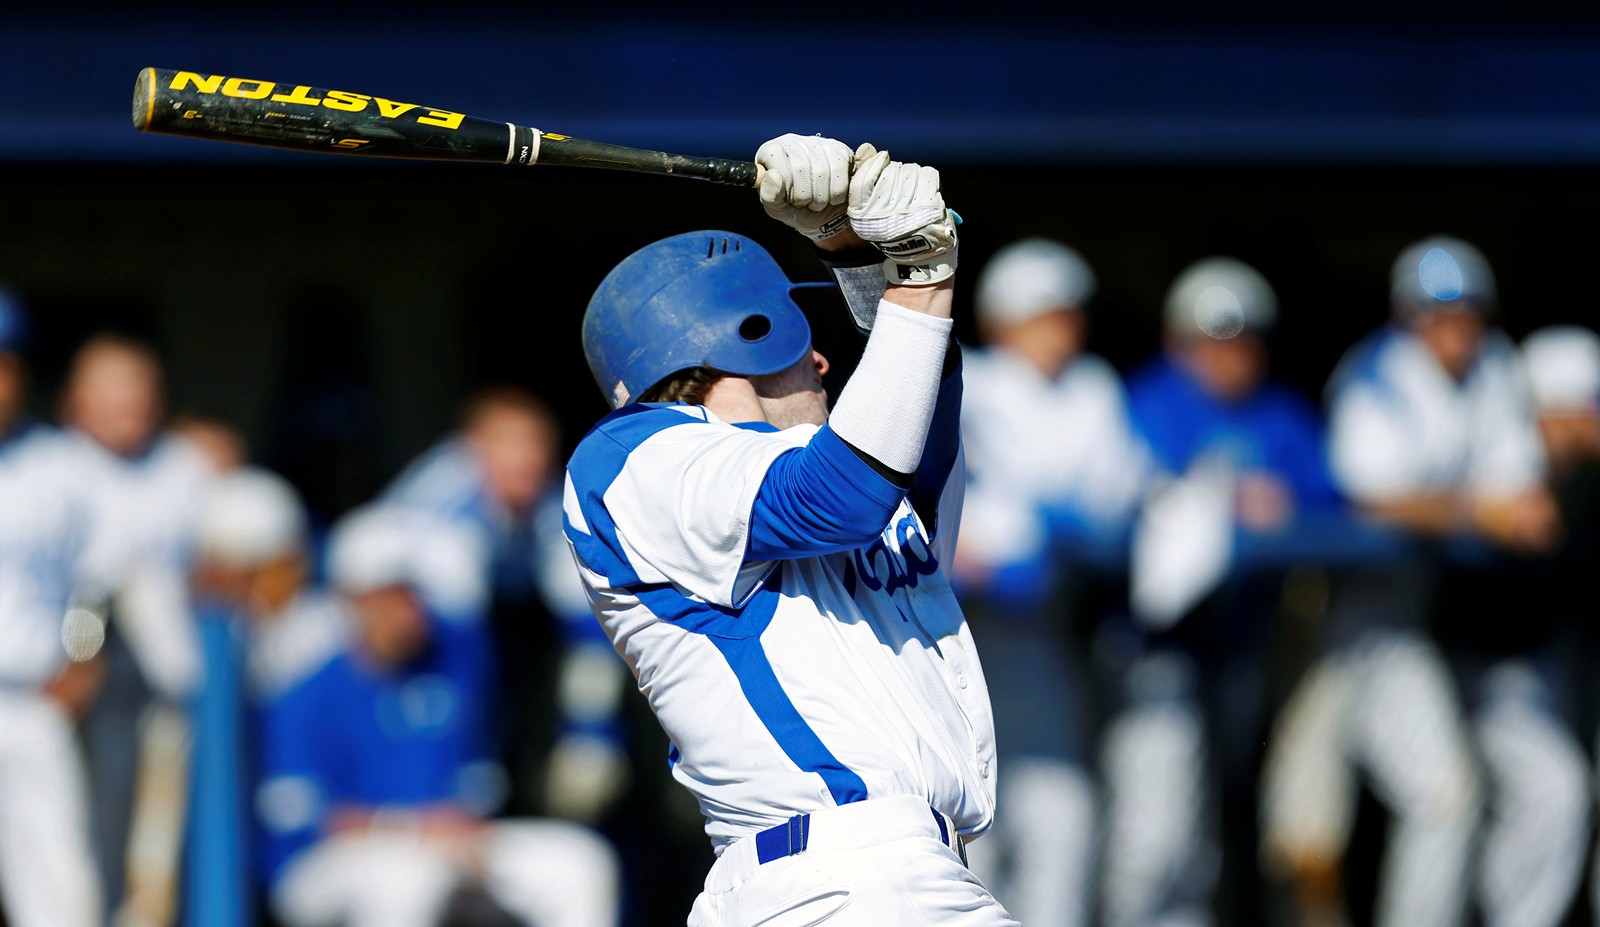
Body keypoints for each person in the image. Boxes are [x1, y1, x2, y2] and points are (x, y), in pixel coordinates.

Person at [562, 133, 1013, 925]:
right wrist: (919, 269)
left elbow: (918, 429)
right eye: (802, 340)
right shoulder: (633, 459)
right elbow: (837, 496)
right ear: (739, 336)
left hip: (870, 881)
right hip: (844, 878)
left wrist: (858, 254)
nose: (825, 364)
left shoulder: (851, 468)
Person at [1266, 235, 1579, 927]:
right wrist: (1477, 510)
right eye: (1436, 311)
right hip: (1362, 618)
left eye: (1466, 310)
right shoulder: (1376, 373)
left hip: (1453, 618)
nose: (1453, 326)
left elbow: (1519, 492)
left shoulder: (1495, 368)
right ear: (1406, 315)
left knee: (1540, 791)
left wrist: (1490, 508)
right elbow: (1371, 492)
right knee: (1419, 798)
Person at [1107, 256, 1340, 927]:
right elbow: (1124, 486)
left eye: (1244, 337)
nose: (1230, 352)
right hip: (1150, 642)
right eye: (1213, 336)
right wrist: (1227, 496)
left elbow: (1336, 493)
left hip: (1249, 642)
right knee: (1149, 829)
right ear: (1180, 340)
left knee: (1228, 817)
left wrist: (1287, 503)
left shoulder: (1281, 413)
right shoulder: (1145, 400)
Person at [258, 504, 621, 927]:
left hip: (444, 848)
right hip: (325, 867)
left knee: (579, 862)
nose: (407, 611)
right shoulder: (307, 689)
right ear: (352, 601)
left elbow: (476, 789)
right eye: (389, 595)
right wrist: (411, 831)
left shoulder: (451, 663)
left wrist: (452, 828)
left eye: (412, 593)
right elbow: (303, 819)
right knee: (404, 879)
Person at [954, 237, 1148, 927]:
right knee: (973, 833)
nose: (1060, 329)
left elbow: (1118, 510)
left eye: (1067, 314)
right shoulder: (964, 376)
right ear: (1002, 317)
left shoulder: (1093, 390)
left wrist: (1050, 530)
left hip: (1046, 636)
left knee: (1064, 820)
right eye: (1043, 314)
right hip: (955, 643)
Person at [381, 387, 629, 822]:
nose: (528, 460)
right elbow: (459, 650)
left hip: (485, 635)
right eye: (510, 444)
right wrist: (475, 764)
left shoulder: (543, 499)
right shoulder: (443, 511)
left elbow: (591, 624)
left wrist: (590, 737)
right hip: (394, 661)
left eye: (537, 445)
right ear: (472, 449)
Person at [57, 333, 214, 923]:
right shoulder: (53, 464)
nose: (128, 403)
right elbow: (86, 588)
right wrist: (77, 656)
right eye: (111, 390)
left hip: (163, 669)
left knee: (152, 837)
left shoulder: (181, 467)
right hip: (76, 662)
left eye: (138, 389)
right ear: (77, 399)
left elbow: (207, 562)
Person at [0, 289, 103, 927]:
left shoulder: (64, 464)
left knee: (58, 889)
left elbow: (95, 589)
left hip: (29, 695)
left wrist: (82, 661)